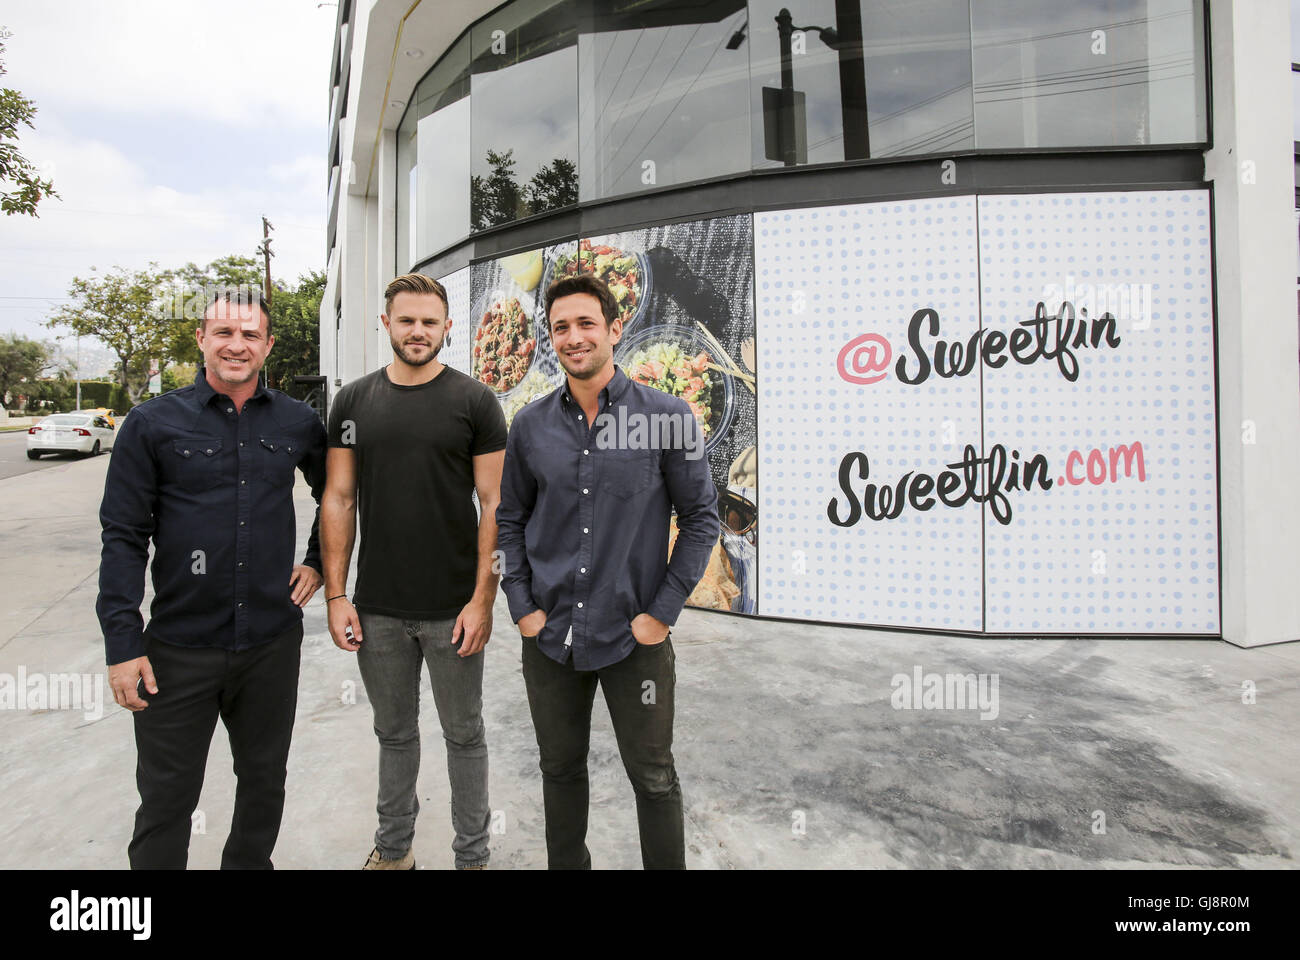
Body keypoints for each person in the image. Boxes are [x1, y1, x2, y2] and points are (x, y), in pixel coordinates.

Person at [97, 288, 326, 869]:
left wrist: (319, 560)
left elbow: (340, 495)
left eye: (250, 335)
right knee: (166, 801)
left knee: (263, 784)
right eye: (224, 332)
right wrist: (123, 645)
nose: (237, 345)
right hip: (179, 649)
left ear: (268, 346)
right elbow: (123, 535)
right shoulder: (152, 423)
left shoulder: (298, 422)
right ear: (201, 338)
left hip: (272, 645)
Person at [496, 274, 719, 869]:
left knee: (652, 777)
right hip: (550, 638)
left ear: (616, 329)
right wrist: (521, 605)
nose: (574, 337)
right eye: (561, 327)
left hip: (633, 638)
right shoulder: (530, 426)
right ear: (550, 337)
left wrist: (660, 614)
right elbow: (509, 519)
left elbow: (701, 521)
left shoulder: (669, 418)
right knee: (560, 770)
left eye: (586, 323)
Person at [322, 273, 506, 870]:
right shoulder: (351, 403)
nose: (418, 331)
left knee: (464, 735)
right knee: (394, 736)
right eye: (407, 320)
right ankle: (395, 851)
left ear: (448, 327)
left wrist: (483, 599)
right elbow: (339, 498)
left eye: (430, 321)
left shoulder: (476, 402)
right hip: (377, 610)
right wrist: (335, 594)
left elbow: (495, 505)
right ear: (386, 325)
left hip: (454, 609)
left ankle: (472, 857)